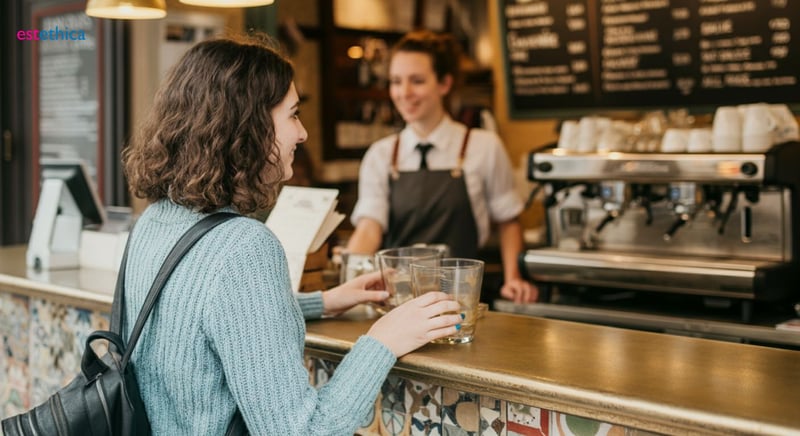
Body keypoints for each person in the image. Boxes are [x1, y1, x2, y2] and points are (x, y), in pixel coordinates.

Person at [121, 34, 463, 435]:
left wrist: (323, 302)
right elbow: (302, 431)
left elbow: (204, 317)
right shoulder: (245, 247)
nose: (302, 134)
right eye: (293, 115)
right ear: (249, 125)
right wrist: (383, 340)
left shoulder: (154, 220)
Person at [347, 30, 538, 304]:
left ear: (445, 84)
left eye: (417, 81)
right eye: (396, 81)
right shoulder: (381, 155)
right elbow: (369, 228)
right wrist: (349, 282)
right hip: (400, 302)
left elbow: (508, 222)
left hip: (462, 299)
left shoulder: (484, 147)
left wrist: (514, 279)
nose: (404, 93)